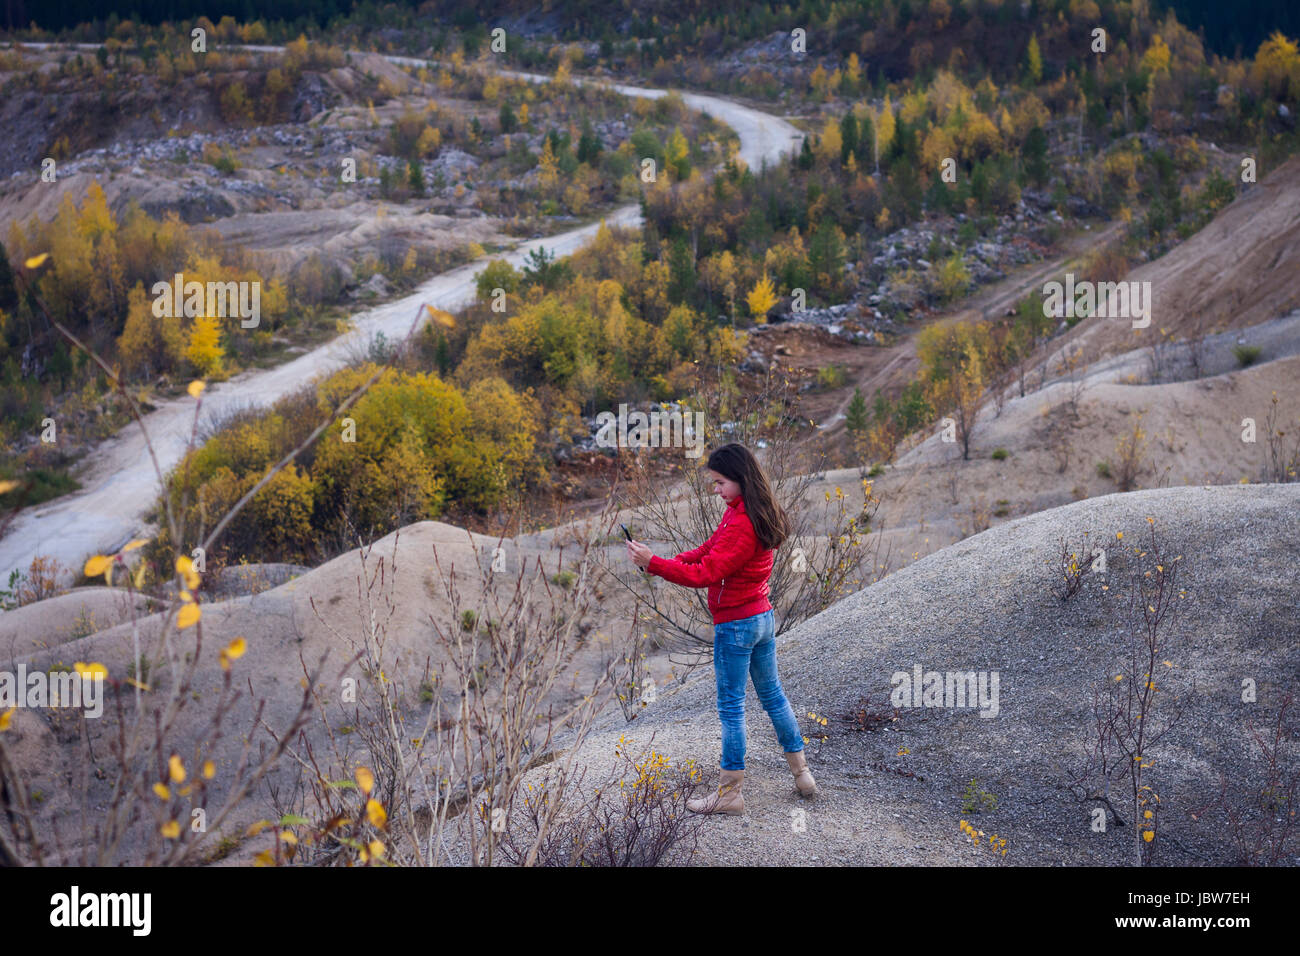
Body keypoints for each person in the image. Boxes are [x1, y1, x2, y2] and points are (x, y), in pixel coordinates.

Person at [626, 442, 816, 815]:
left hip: (737, 624)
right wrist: (658, 561)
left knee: (731, 708)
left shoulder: (743, 523)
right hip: (762, 618)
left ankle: (730, 794)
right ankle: (802, 775)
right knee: (774, 697)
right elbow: (707, 550)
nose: (715, 490)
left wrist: (657, 565)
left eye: (719, 482)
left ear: (740, 479)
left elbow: (706, 573)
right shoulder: (749, 512)